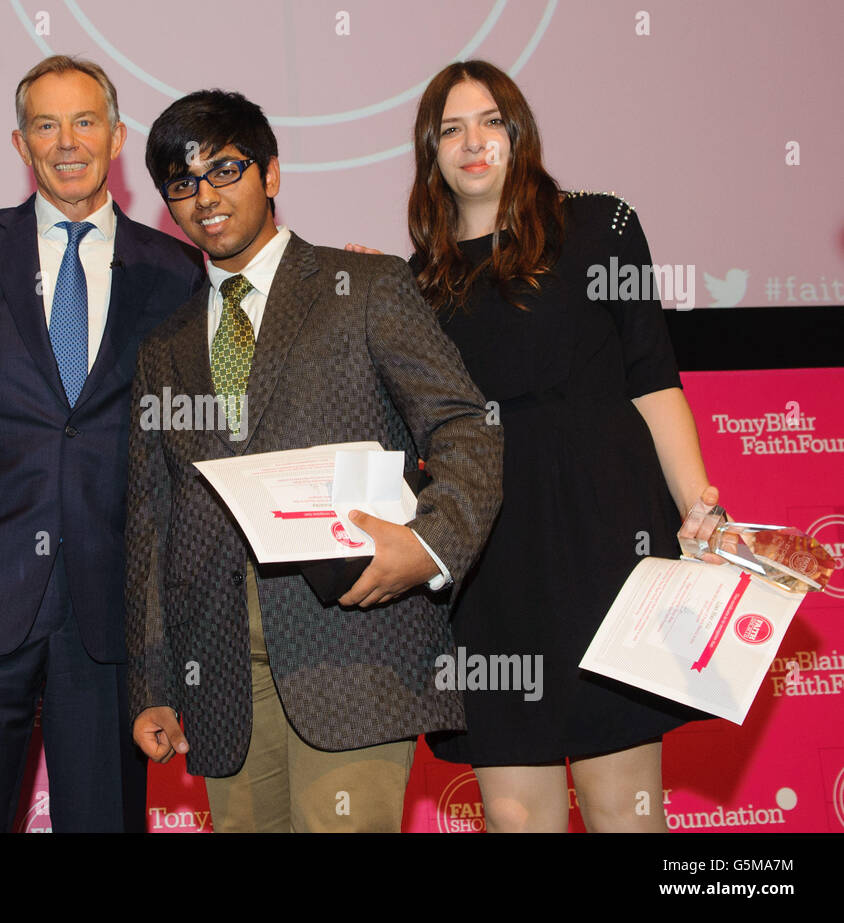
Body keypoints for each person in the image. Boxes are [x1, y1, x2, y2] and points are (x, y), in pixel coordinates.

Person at [350, 59, 727, 832]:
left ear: (520, 132)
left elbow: (653, 381)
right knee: (519, 816)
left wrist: (699, 509)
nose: (473, 142)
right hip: (487, 564)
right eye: (450, 130)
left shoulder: (599, 225)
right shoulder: (415, 287)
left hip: (605, 545)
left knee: (627, 810)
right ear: (430, 155)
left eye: (491, 120)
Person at [126, 89, 503, 832]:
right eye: (182, 181)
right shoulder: (162, 348)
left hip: (354, 643)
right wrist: (154, 678)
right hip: (221, 671)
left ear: (270, 173)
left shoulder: (364, 287)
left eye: (225, 169)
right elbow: (152, 522)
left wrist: (427, 545)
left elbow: (467, 427)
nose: (204, 196)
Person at [0, 55, 203, 833]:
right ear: (19, 142)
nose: (66, 141)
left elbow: (193, 441)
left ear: (116, 136)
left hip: (113, 614)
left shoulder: (174, 268)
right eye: (46, 124)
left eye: (84, 121)